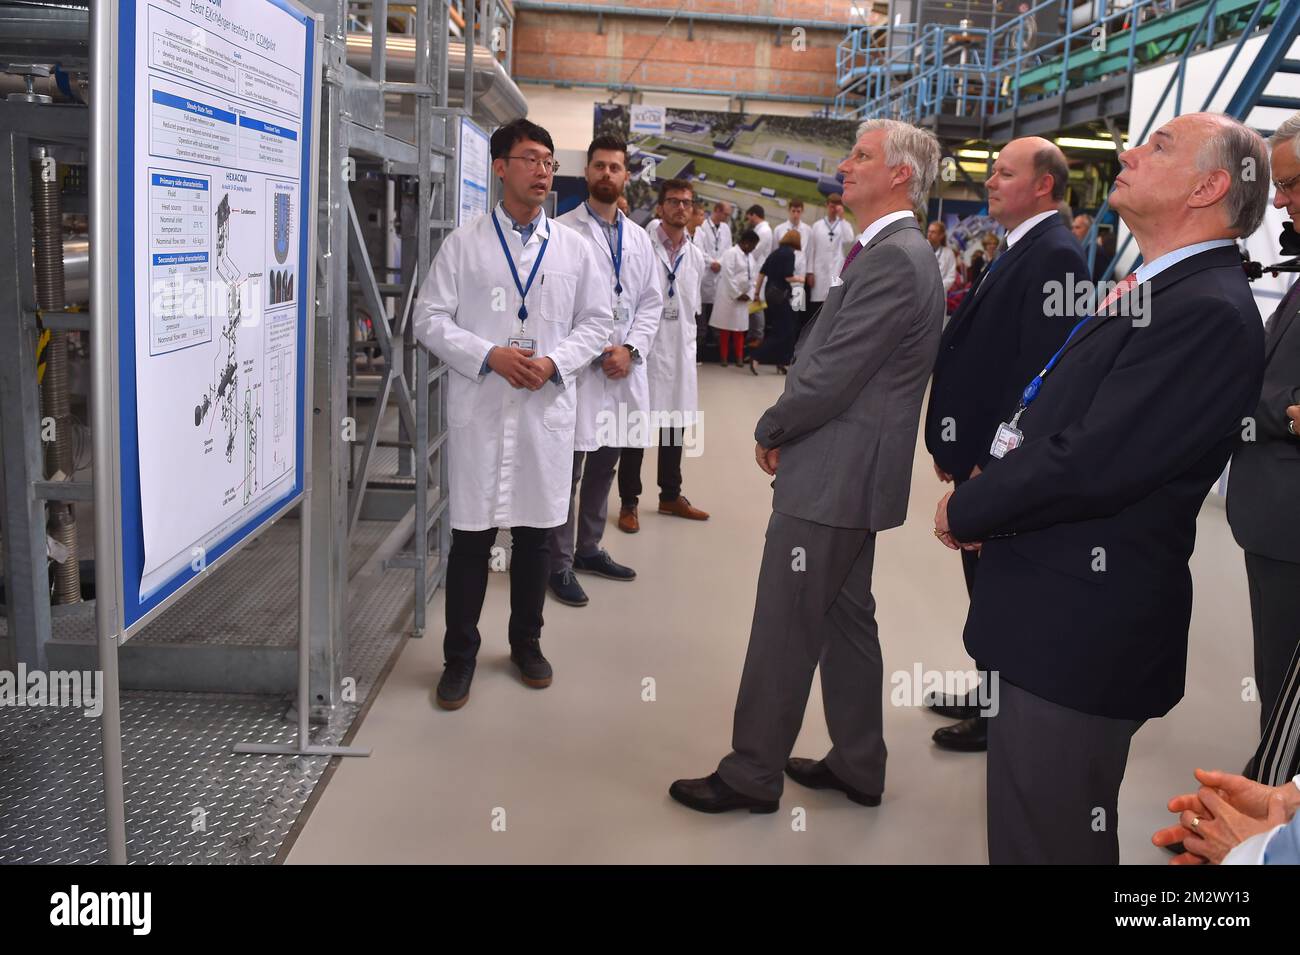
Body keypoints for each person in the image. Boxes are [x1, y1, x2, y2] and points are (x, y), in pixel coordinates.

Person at [933, 112, 1271, 864]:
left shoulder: (1205, 310)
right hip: (1054, 607)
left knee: (1047, 840)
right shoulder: (1159, 283)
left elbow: (1093, 460)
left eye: (1159, 146)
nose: (1128, 152)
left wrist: (973, 502)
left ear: (1210, 186)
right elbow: (1064, 418)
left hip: (1079, 630)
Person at [669, 118, 944, 815]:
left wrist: (775, 422)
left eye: (861, 156)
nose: (845, 166)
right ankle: (859, 761)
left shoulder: (892, 257)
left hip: (832, 477)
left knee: (786, 622)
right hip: (854, 476)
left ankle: (752, 772)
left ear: (901, 175)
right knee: (847, 617)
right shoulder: (896, 251)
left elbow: (832, 372)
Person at [412, 118, 612, 710]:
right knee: (471, 538)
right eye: (530, 159)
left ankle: (526, 644)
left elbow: (598, 322)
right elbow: (428, 319)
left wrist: (554, 363)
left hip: (542, 410)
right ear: (500, 167)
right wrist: (488, 355)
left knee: (534, 535)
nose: (543, 170)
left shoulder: (574, 249)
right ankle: (460, 657)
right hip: (483, 406)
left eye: (549, 161)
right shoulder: (464, 243)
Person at [923, 137, 1089, 754]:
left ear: (1043, 185)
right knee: (985, 585)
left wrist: (988, 463)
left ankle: (1001, 714)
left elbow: (1036, 379)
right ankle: (989, 690)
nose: (990, 182)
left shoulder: (1056, 257)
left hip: (996, 461)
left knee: (1000, 587)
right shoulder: (1024, 247)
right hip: (977, 456)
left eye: (1003, 173)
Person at [548, 135, 663, 608]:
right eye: (599, 166)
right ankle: (557, 562)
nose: (607, 174)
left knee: (604, 465)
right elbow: (553, 305)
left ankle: (589, 548)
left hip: (621, 371)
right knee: (567, 469)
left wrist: (630, 349)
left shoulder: (638, 237)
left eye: (616, 168)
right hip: (581, 370)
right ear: (588, 171)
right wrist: (595, 349)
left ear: (625, 176)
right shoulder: (561, 230)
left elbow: (652, 302)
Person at [1226, 112, 1300, 734]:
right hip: (1274, 518)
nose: (1279, 199)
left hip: (1289, 519)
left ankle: (1278, 789)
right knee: (1277, 674)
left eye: (1293, 184)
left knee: (1283, 675)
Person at [618, 179, 710, 532]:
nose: (681, 208)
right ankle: (629, 501)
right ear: (660, 208)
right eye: (673, 201)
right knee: (636, 431)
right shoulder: (641, 247)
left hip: (680, 353)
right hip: (646, 351)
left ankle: (670, 495)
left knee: (674, 427)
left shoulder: (696, 255)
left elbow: (691, 309)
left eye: (687, 203)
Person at [748, 229, 801, 375]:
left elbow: (761, 273)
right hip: (781, 295)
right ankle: (757, 356)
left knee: (780, 328)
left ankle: (781, 362)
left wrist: (757, 293)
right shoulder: (789, 254)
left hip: (769, 294)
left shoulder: (775, 253)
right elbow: (788, 277)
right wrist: (801, 279)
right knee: (785, 331)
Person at [804, 192, 855, 329]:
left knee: (831, 305)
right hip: (818, 270)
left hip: (835, 271)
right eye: (831, 206)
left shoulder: (843, 225)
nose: (833, 210)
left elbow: (849, 239)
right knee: (815, 306)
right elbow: (811, 250)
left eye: (836, 207)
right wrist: (809, 272)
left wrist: (842, 217)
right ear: (827, 206)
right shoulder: (817, 226)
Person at [710, 230, 758, 367]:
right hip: (729, 297)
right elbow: (728, 275)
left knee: (739, 330)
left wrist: (749, 294)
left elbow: (753, 278)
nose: (754, 248)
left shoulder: (750, 257)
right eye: (753, 245)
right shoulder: (731, 253)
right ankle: (724, 358)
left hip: (743, 299)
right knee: (725, 329)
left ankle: (739, 358)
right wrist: (737, 293)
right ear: (746, 243)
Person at [692, 200, 732, 363]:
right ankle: (698, 355)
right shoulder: (701, 227)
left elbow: (728, 249)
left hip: (719, 275)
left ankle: (715, 356)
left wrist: (720, 262)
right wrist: (712, 262)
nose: (728, 218)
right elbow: (698, 249)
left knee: (715, 320)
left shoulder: (726, 229)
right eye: (726, 214)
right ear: (717, 210)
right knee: (700, 321)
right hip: (705, 275)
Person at [744, 205, 773, 348]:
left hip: (759, 272)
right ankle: (753, 335)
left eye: (748, 217)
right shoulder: (760, 230)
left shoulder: (764, 231)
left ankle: (758, 336)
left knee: (757, 304)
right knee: (753, 305)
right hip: (755, 271)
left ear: (754, 215)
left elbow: (754, 251)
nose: (748, 220)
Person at [772, 198, 813, 283]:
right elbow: (774, 250)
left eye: (798, 211)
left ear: (802, 211)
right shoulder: (779, 229)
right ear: (789, 210)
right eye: (793, 211)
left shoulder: (808, 230)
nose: (795, 214)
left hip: (800, 270)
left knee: (797, 294)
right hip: (782, 268)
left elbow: (809, 252)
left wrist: (809, 272)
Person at [928, 219, 958, 293]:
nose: (929, 234)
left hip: (939, 292)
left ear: (941, 235)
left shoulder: (949, 253)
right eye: (929, 231)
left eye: (933, 232)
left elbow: (951, 276)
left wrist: (938, 287)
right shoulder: (920, 248)